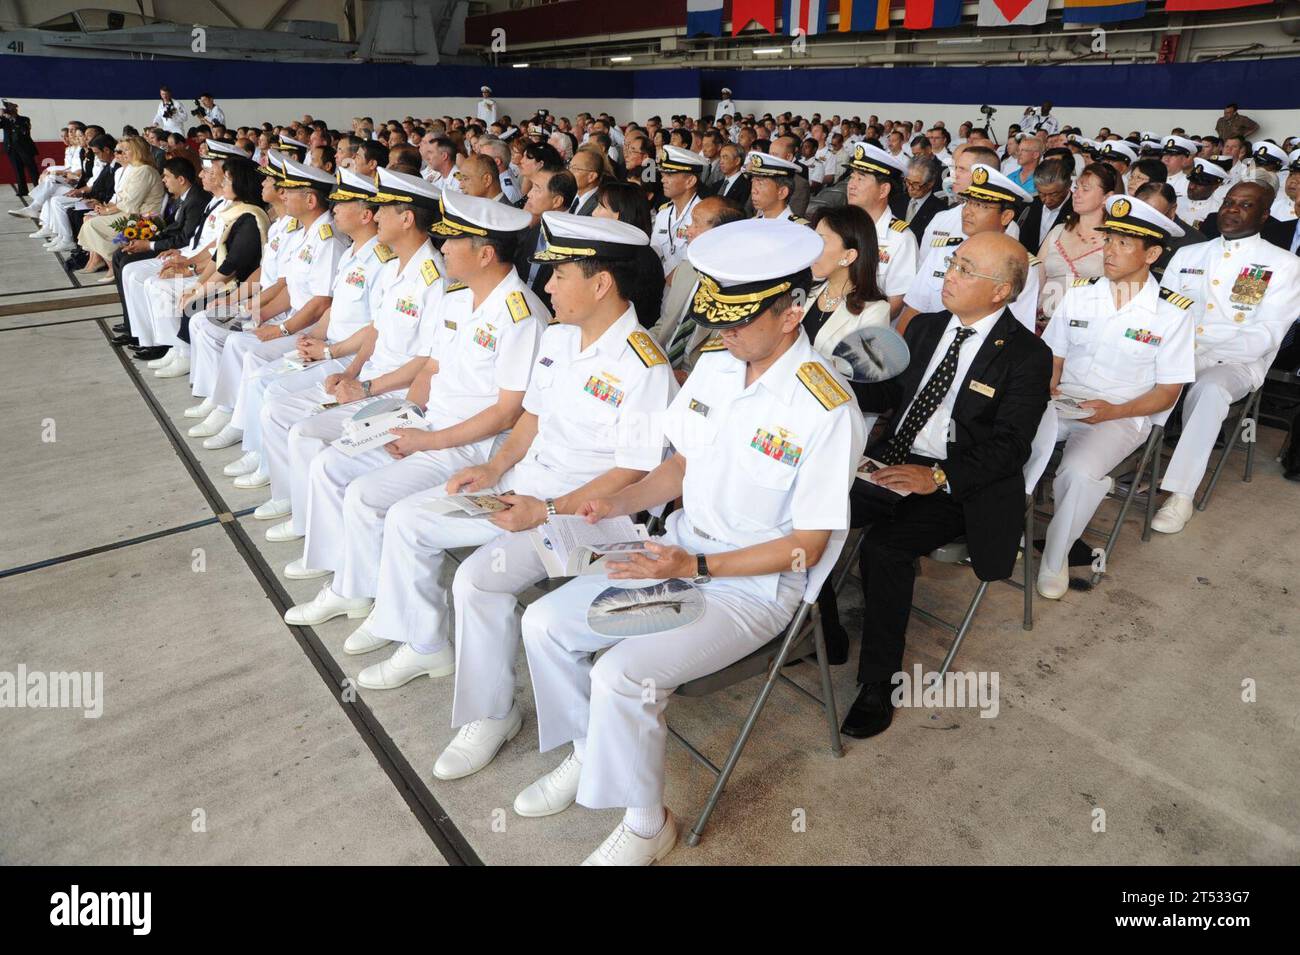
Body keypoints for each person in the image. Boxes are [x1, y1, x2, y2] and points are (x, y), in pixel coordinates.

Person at [517, 219, 863, 864]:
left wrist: (697, 563)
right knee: (543, 622)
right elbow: (680, 465)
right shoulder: (715, 366)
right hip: (676, 550)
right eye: (719, 317)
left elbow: (808, 547)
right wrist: (616, 501)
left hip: (752, 586)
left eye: (740, 319)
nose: (725, 331)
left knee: (623, 673)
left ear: (792, 314)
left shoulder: (825, 408)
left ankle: (648, 825)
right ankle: (590, 751)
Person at [350, 213, 673, 735]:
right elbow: (533, 416)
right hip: (525, 488)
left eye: (560, 275)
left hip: (590, 517)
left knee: (479, 578)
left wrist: (546, 510)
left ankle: (492, 715)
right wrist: (494, 466)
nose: (547, 285)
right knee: (409, 518)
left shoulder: (644, 365)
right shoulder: (562, 338)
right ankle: (424, 642)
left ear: (601, 282)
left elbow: (634, 471)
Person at [279, 192, 549, 627]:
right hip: (429, 422)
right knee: (331, 462)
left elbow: (506, 413)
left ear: (485, 254)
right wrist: (402, 417)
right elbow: (432, 367)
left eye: (453, 241)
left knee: (367, 495)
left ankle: (359, 594)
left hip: (468, 444)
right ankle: (352, 579)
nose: (442, 248)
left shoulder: (521, 315)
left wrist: (428, 440)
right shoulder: (459, 298)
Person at [841, 231, 1051, 739]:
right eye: (953, 263)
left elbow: (1011, 447)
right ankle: (821, 625)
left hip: (959, 481)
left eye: (964, 269)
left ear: (1001, 290)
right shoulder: (927, 327)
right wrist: (845, 373)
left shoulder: (1027, 355)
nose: (949, 275)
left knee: (886, 550)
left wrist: (936, 477)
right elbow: (895, 392)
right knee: (809, 508)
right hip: (891, 457)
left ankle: (878, 683)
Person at [255, 167, 451, 527]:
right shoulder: (397, 266)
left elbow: (426, 360)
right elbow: (376, 329)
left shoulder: (432, 278)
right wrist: (349, 371)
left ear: (406, 219)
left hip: (399, 393)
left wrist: (363, 386)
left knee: (316, 445)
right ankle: (302, 511)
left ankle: (315, 527)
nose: (375, 216)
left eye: (383, 210)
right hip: (369, 379)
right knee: (290, 420)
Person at [1036, 195, 1194, 597]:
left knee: (1079, 472)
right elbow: (1055, 352)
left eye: (1124, 244)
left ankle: (1055, 560)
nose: (1110, 251)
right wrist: (1051, 384)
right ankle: (993, 530)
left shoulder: (1171, 313)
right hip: (1064, 400)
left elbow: (1167, 392)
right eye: (1109, 240)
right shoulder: (1083, 291)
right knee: (1006, 440)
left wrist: (1113, 412)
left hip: (1123, 414)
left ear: (1152, 253)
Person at [220, 165, 396, 488]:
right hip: (329, 345)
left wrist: (323, 348)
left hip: (349, 355)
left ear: (365, 215)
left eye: (342, 204)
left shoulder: (380, 260)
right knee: (264, 379)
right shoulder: (353, 253)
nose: (335, 209)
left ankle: (272, 469)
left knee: (272, 388)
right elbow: (334, 306)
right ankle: (260, 453)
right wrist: (309, 338)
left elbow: (371, 325)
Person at [1150, 181, 1300, 534]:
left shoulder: (1284, 265)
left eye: (1244, 205)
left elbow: (1266, 334)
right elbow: (1163, 313)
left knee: (1210, 391)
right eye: (1229, 202)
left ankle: (1181, 494)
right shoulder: (1189, 255)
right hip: (1177, 351)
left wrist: (1197, 356)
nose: (1231, 209)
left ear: (1264, 215)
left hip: (1235, 362)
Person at [187, 155, 348, 449]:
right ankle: (223, 405)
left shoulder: (327, 239)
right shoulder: (298, 230)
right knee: (209, 323)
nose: (278, 191)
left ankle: (234, 417)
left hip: (307, 324)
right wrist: (251, 310)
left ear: (310, 200)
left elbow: (320, 302)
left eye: (287, 188)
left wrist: (281, 328)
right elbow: (285, 283)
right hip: (292, 316)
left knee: (243, 348)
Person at [900, 164, 1040, 334]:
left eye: (981, 206)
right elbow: (913, 310)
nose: (968, 212)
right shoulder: (942, 252)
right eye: (968, 202)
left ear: (1006, 216)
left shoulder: (1022, 268)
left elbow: (1015, 331)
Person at [109, 156, 211, 350]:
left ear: (181, 179)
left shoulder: (196, 199)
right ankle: (132, 324)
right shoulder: (185, 197)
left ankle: (156, 339)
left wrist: (149, 245)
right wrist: (149, 238)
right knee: (120, 255)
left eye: (166, 176)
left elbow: (185, 238)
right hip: (179, 247)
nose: (163, 180)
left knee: (129, 265)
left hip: (187, 251)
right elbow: (175, 228)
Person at [648, 196, 746, 378]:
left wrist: (688, 378)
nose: (688, 231)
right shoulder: (686, 269)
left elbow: (728, 357)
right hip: (660, 364)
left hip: (699, 377)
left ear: (722, 233)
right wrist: (640, 348)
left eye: (696, 224)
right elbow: (664, 323)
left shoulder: (740, 289)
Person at [843, 143, 918, 319]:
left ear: (883, 190)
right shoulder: (841, 227)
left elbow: (895, 304)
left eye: (860, 179)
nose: (851, 185)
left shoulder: (901, 239)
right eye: (851, 177)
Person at [1038, 162, 1119, 324]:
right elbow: (1036, 281)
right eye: (1076, 188)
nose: (1076, 194)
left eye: (1086, 189)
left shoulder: (1115, 241)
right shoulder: (1057, 232)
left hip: (1089, 327)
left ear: (1107, 198)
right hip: (1043, 324)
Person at [75, 136, 166, 279]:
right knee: (90, 222)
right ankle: (108, 261)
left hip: (144, 217)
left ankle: (111, 262)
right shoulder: (135, 169)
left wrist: (107, 211)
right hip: (130, 213)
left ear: (137, 151)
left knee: (91, 225)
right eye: (121, 150)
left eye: (126, 150)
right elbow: (123, 198)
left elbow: (131, 203)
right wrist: (106, 210)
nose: (122, 154)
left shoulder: (144, 170)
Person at [514, 167, 577, 312]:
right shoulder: (532, 227)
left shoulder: (573, 241)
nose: (529, 194)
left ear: (557, 201)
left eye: (537, 189)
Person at [650, 145, 705, 276]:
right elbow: (654, 252)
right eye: (663, 174)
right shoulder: (663, 214)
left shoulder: (704, 217)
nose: (663, 179)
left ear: (690, 181)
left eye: (669, 175)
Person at [1017, 157, 1073, 255]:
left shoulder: (1078, 212)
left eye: (1054, 194)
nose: (1047, 200)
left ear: (1068, 185)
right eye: (1041, 193)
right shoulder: (1027, 206)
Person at [745, 151, 808, 224]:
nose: (753, 191)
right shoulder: (752, 223)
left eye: (760, 183)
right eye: (753, 182)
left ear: (782, 192)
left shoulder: (799, 230)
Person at [0, 100, 40, 199]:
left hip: (25, 148)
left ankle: (38, 188)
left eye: (12, 109)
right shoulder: (5, 121)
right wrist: (1, 116)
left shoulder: (24, 119)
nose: (10, 111)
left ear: (16, 110)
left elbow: (24, 131)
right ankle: (22, 190)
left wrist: (13, 119)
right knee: (18, 170)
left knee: (32, 170)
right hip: (11, 149)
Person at [903, 155, 947, 245]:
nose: (910, 188)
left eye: (916, 184)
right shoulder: (895, 201)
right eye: (907, 181)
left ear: (930, 183)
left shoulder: (940, 211)